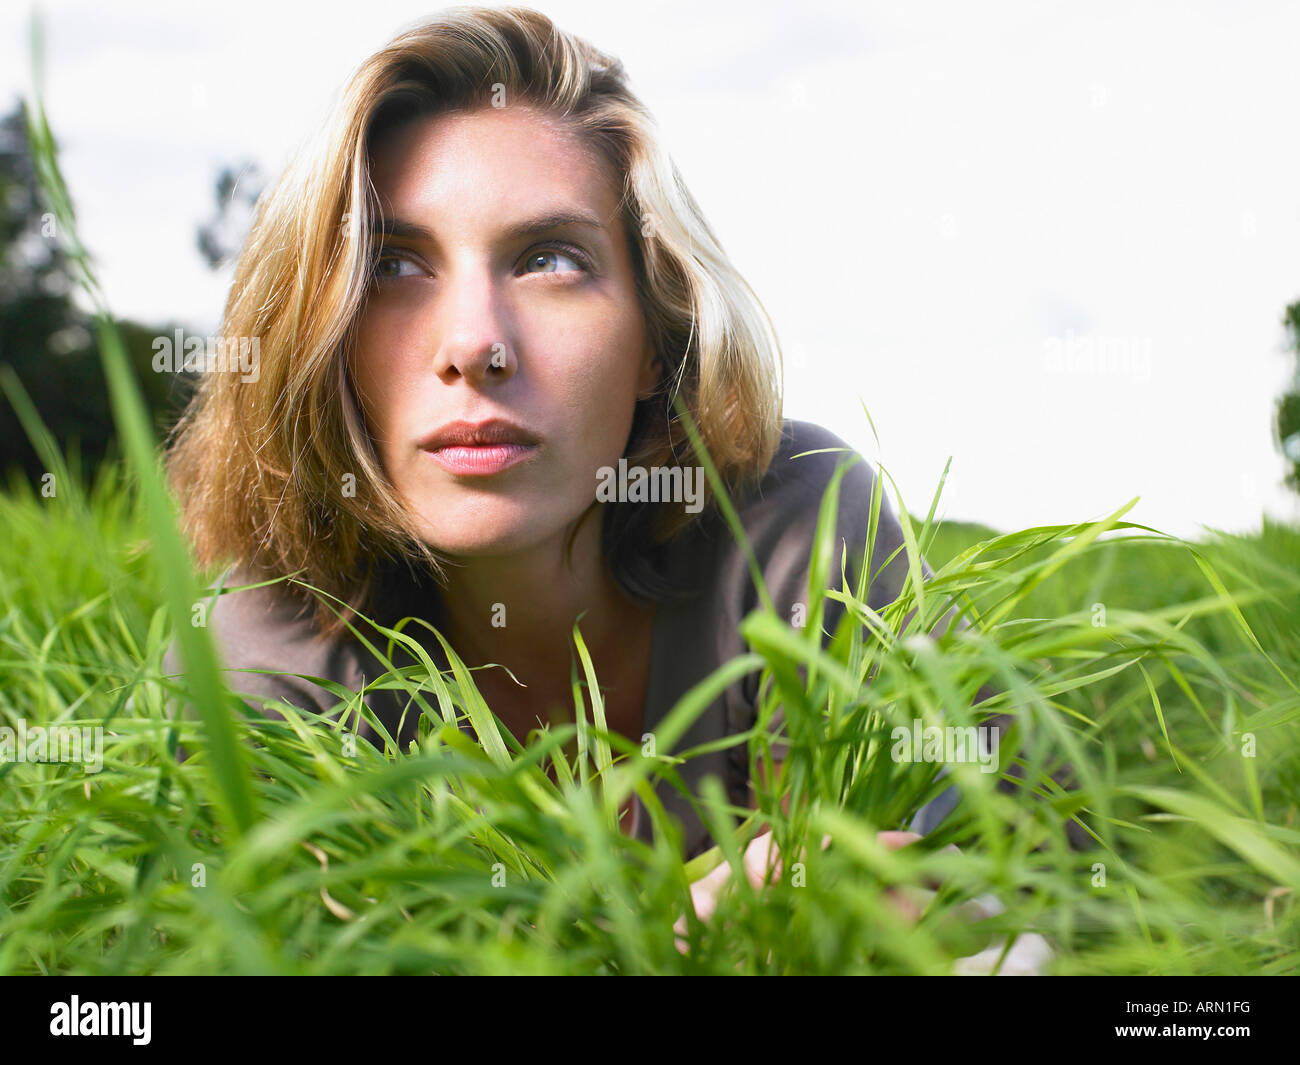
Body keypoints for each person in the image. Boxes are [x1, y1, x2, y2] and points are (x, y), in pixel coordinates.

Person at [160, 7, 1053, 893]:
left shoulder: (797, 535)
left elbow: (1025, 887)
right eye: (394, 266)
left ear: (655, 342)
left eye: (549, 260)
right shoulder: (265, 645)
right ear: (324, 340)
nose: (474, 344)